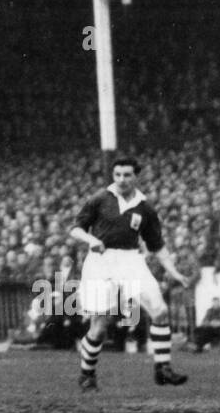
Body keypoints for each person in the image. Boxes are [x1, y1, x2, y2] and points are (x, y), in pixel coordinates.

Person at [69, 155, 190, 390]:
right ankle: (87, 373)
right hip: (100, 262)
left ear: (136, 176)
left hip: (131, 259)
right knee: (101, 325)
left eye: (127, 175)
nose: (122, 179)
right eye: (118, 175)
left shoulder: (145, 208)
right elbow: (75, 229)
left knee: (160, 310)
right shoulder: (99, 199)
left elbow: (157, 246)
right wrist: (91, 239)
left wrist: (173, 271)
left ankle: (162, 369)